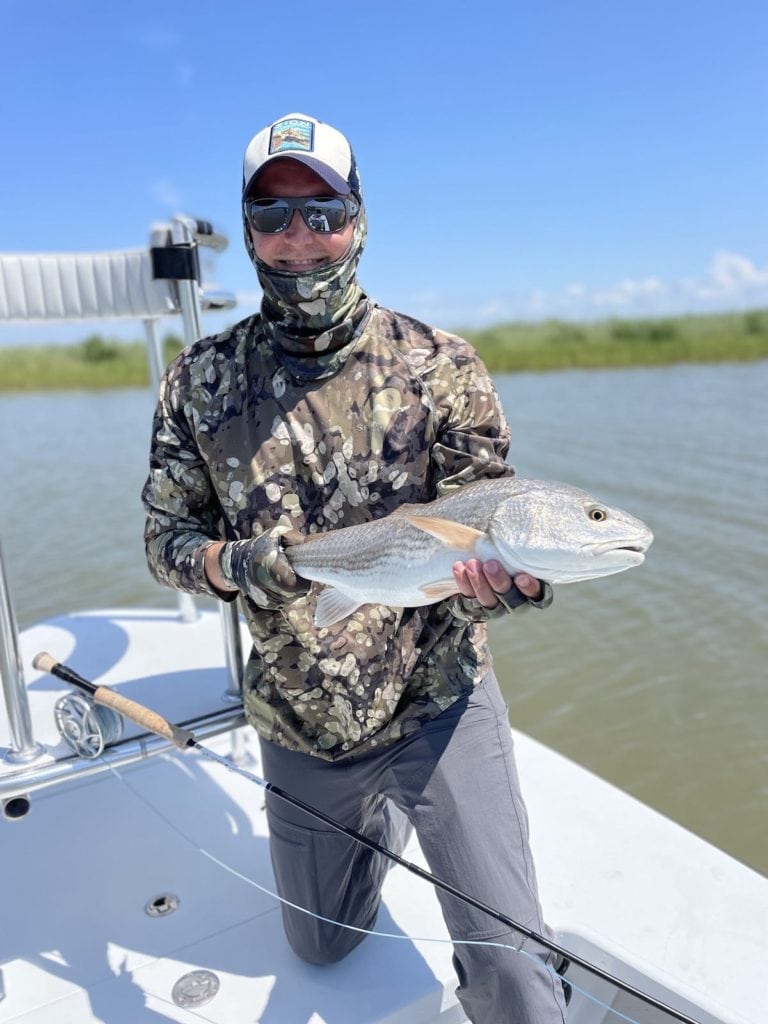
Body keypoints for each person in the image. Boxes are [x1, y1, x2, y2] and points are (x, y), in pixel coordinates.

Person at [143, 112, 568, 1023]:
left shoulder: (442, 366)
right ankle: (366, 826)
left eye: (322, 210)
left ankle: (446, 843)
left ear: (359, 218)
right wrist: (238, 565)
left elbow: (488, 526)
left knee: (517, 969)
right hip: (301, 719)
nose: (299, 237)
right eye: (271, 214)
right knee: (323, 947)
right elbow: (166, 543)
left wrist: (518, 582)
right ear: (248, 228)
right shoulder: (197, 382)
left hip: (437, 699)